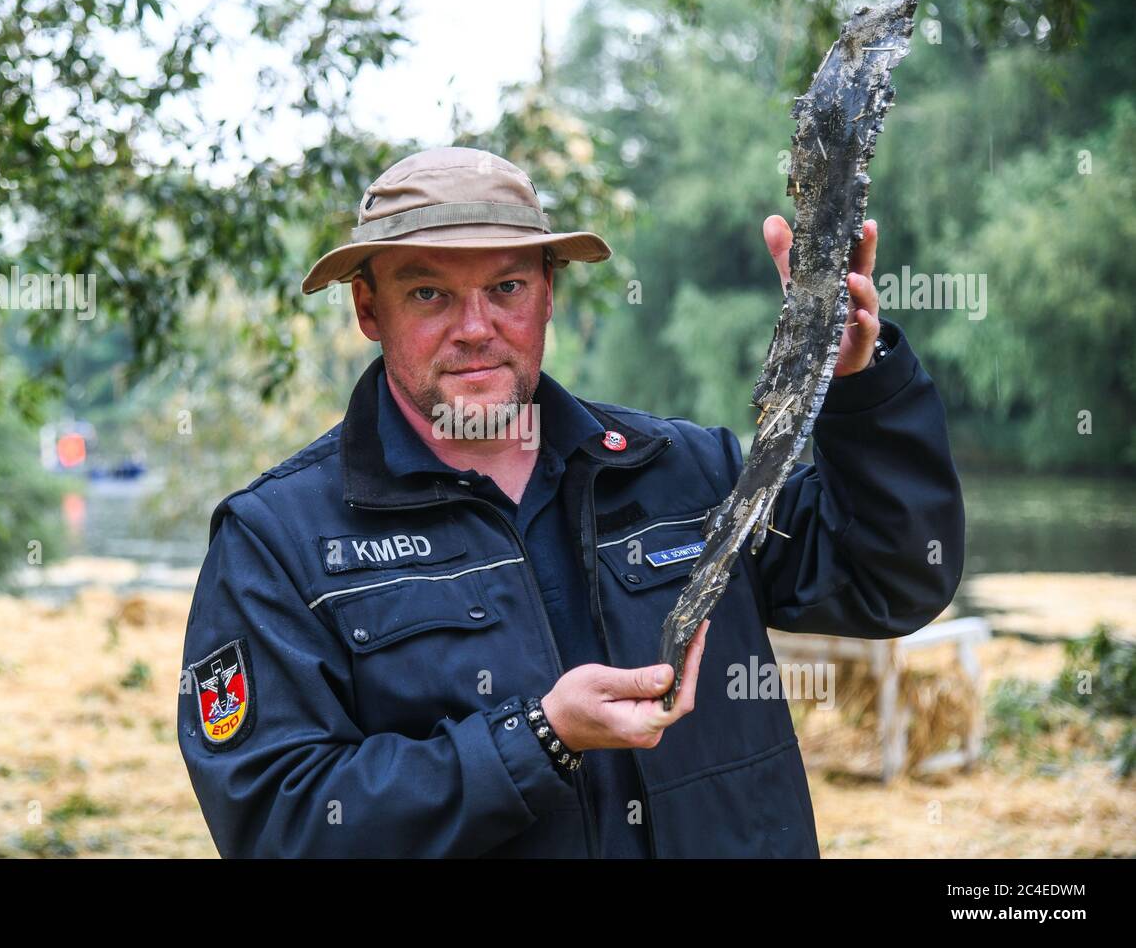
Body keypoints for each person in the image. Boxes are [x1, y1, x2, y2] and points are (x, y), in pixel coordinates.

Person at [176, 146, 964, 857]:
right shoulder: (277, 541)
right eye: (428, 294)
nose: (475, 328)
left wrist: (857, 386)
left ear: (548, 294)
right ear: (368, 310)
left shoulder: (688, 472)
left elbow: (890, 580)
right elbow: (277, 821)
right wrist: (537, 740)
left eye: (506, 286)